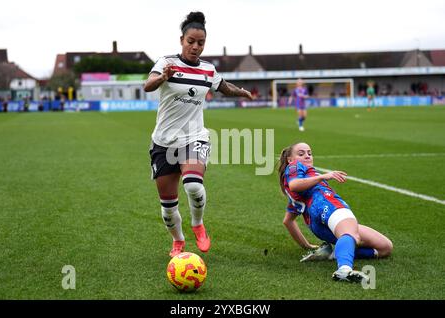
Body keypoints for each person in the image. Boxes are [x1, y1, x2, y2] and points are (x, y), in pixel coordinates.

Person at [144, 11, 253, 257]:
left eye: (200, 43)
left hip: (195, 137)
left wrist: (241, 92)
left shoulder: (208, 69)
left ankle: (197, 223)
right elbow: (148, 85)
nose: (195, 47)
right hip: (163, 142)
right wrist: (162, 77)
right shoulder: (166, 62)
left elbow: (224, 87)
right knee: (168, 207)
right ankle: (178, 240)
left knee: (193, 185)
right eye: (190, 41)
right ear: (182, 39)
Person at [278, 142, 393, 282]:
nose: (307, 156)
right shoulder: (295, 166)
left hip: (319, 224)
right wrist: (323, 176)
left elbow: (287, 221)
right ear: (290, 159)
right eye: (301, 154)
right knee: (350, 234)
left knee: (384, 248)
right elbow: (294, 184)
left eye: (309, 153)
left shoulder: (299, 190)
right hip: (326, 204)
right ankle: (344, 270)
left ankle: (332, 254)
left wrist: (307, 246)